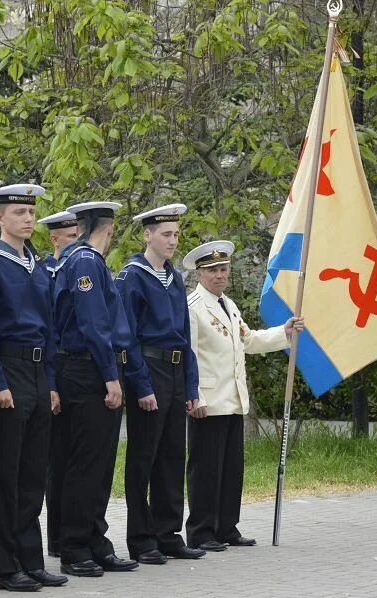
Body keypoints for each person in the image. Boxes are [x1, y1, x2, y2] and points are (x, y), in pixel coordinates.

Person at [182, 241, 303, 551]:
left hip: (233, 399)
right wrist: (194, 396)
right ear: (200, 274)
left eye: (223, 269)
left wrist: (284, 331)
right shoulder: (193, 306)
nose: (220, 275)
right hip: (207, 401)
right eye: (213, 271)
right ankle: (201, 530)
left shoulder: (230, 305)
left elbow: (248, 341)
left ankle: (226, 527)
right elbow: (189, 355)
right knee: (205, 470)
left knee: (230, 469)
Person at [0, 183, 67, 591]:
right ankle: (4, 565)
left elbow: (48, 329)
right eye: (18, 213)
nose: (28, 219)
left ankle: (31, 558)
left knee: (33, 475)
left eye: (31, 213)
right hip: (8, 368)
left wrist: (48, 380)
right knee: (5, 476)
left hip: (35, 371)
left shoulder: (38, 263)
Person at [53, 201, 138, 578]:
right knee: (87, 465)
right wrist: (110, 375)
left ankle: (94, 540)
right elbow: (92, 323)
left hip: (92, 367)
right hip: (88, 370)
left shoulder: (85, 259)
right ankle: (74, 546)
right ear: (110, 229)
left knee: (100, 465)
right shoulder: (85, 261)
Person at [115, 204, 205, 564]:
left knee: (171, 455)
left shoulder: (175, 277)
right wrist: (140, 384)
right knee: (143, 457)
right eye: (166, 233)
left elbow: (184, 335)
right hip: (148, 369)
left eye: (176, 233)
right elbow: (127, 337)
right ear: (147, 235)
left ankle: (168, 532)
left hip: (174, 368)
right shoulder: (132, 276)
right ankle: (141, 538)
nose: (173, 240)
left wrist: (191, 386)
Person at [36, 209, 78, 558]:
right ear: (54, 238)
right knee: (56, 458)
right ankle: (55, 538)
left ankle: (69, 533)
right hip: (57, 366)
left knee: (69, 455)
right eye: (70, 236)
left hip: (65, 367)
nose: (76, 241)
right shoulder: (47, 270)